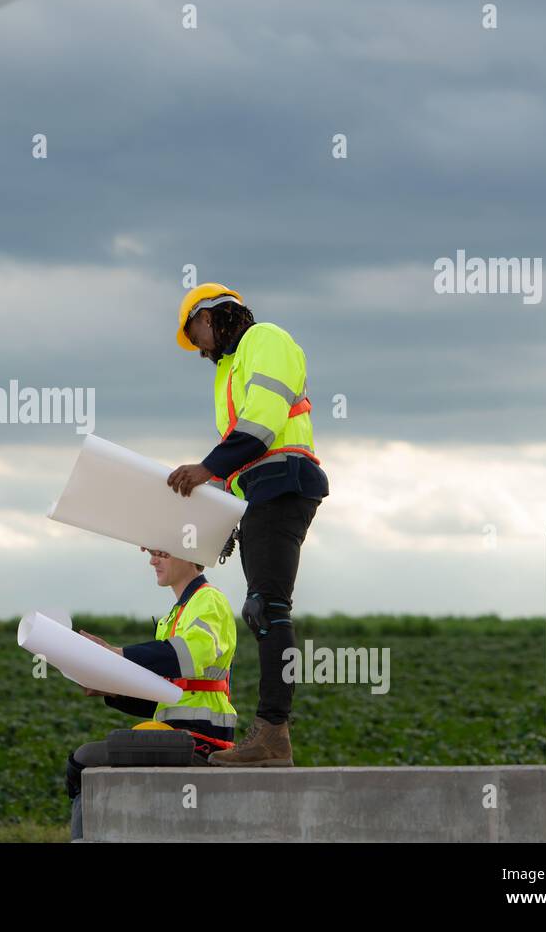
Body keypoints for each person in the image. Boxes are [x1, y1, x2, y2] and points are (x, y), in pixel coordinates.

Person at [165, 283, 328, 768]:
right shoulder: (229, 369)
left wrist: (207, 468)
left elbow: (261, 422)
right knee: (264, 609)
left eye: (195, 333)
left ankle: (273, 737)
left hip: (282, 479)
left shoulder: (266, 339)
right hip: (260, 489)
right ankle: (272, 736)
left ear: (214, 315)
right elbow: (243, 450)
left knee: (267, 609)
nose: (197, 347)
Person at [64, 547, 237, 840]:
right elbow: (166, 695)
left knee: (83, 759)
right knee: (83, 760)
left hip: (201, 743)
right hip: (174, 736)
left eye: (162, 553)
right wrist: (111, 689)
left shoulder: (210, 600)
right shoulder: (175, 614)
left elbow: (189, 654)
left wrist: (117, 654)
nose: (152, 560)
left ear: (189, 553)